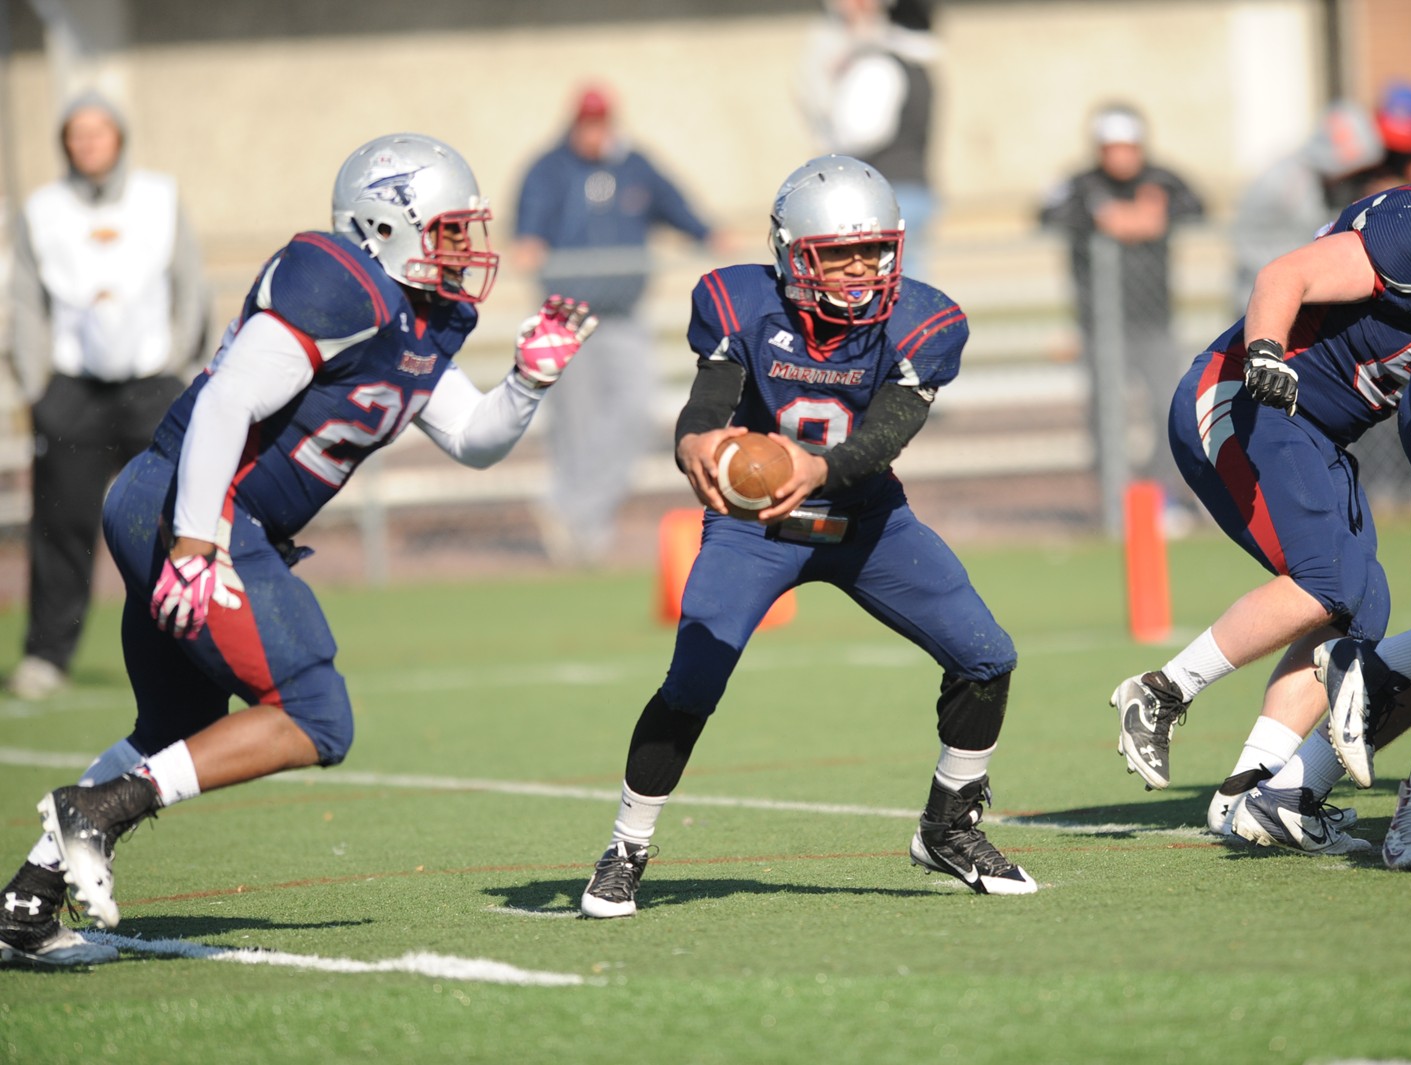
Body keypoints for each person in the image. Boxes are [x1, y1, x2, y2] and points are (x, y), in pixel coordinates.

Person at [0, 133, 597, 965]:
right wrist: (198, 542)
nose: (466, 249)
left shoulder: (423, 317)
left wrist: (528, 383)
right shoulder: (338, 281)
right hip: (193, 506)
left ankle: (25, 903)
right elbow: (225, 404)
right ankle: (93, 811)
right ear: (383, 227)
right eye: (450, 230)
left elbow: (469, 436)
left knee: (178, 724)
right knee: (316, 714)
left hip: (201, 514)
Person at [575, 155, 1033, 919]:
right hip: (756, 528)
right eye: (837, 255)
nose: (858, 272)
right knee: (692, 681)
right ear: (791, 255)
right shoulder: (740, 302)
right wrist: (694, 442)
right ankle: (627, 845)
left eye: (871, 252)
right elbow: (709, 402)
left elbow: (884, 437)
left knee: (987, 656)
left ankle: (948, 826)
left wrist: (817, 467)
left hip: (865, 518)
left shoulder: (924, 320)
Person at [1110, 135, 1411, 856]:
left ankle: (1256, 791)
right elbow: (1284, 274)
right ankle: (1163, 688)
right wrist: (1266, 350)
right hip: (1252, 395)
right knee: (1329, 580)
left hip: (1318, 435)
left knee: (1364, 607)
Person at [5, 91, 210, 701]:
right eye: (76, 134)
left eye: (99, 133)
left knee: (173, 517)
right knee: (61, 524)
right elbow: (24, 300)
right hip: (72, 390)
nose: (88, 144)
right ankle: (47, 655)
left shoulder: (160, 197)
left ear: (119, 138)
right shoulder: (42, 210)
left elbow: (189, 285)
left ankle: (190, 645)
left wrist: (181, 364)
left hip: (152, 385)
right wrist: (36, 384)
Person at [513, 85, 720, 565]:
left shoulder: (634, 166)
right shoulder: (549, 167)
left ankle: (571, 511)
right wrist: (531, 242)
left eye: (600, 123)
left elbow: (674, 205)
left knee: (634, 412)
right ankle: (583, 539)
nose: (593, 133)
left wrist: (708, 233)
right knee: (576, 426)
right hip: (568, 315)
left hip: (624, 314)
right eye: (586, 123)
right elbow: (531, 227)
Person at [1038, 103, 1204, 510]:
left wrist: (1157, 214)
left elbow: (1198, 205)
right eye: (1113, 148)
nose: (1122, 157)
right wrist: (1101, 218)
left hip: (1154, 320)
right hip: (1102, 325)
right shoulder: (1081, 185)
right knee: (1107, 416)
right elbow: (1046, 213)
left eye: (1129, 147)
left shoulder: (1161, 180)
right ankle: (1115, 502)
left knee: (1171, 407)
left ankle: (1159, 494)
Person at [796, 0, 939, 280]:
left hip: (883, 191)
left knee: (884, 286)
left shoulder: (878, 65)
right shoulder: (911, 61)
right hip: (908, 187)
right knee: (905, 281)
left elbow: (859, 133)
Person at [1229, 101, 1386, 317]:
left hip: (1305, 292)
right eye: (1353, 172)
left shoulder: (1324, 185)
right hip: (1268, 296)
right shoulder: (1288, 183)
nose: (1357, 180)